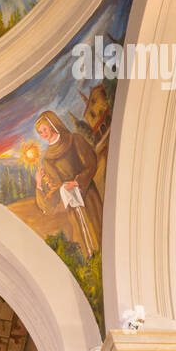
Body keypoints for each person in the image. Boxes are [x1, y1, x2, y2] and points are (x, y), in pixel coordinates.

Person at [34, 109, 102, 259]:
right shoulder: (47, 160)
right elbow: (55, 189)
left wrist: (77, 182)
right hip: (72, 205)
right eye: (40, 132)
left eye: (44, 129)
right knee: (83, 239)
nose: (43, 134)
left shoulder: (74, 140)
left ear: (52, 125)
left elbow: (91, 163)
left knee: (99, 229)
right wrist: (39, 184)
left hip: (87, 195)